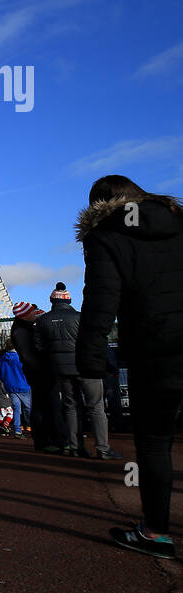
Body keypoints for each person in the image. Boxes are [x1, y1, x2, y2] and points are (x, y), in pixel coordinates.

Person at [74, 174, 181, 557]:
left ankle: (156, 534)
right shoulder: (179, 221)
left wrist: (89, 361)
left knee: (156, 443)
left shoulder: (107, 237)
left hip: (157, 352)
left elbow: (101, 303)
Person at [36, 282, 113, 458]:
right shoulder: (81, 317)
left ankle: (75, 447)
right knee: (96, 407)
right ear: (69, 300)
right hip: (87, 368)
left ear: (51, 301)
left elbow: (39, 347)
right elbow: (95, 341)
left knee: (71, 407)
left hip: (61, 370)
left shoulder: (42, 321)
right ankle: (103, 449)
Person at [11, 302, 57, 452]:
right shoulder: (22, 331)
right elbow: (29, 355)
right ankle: (44, 440)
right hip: (38, 373)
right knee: (41, 405)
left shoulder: (22, 329)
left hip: (36, 372)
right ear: (25, 314)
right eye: (32, 311)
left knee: (41, 405)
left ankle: (45, 439)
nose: (35, 313)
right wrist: (43, 367)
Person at [0, 339, 31, 437]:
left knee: (17, 409)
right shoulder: (20, 357)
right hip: (23, 385)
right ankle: (35, 426)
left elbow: (0, 374)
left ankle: (17, 429)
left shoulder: (2, 358)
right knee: (28, 408)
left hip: (10, 386)